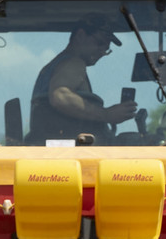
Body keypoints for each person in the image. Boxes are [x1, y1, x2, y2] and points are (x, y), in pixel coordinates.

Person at [27, 15, 139, 143]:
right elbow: (59, 96)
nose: (102, 52)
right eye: (99, 43)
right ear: (80, 35)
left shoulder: (50, 68)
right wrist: (107, 114)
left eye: (106, 49)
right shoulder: (74, 63)